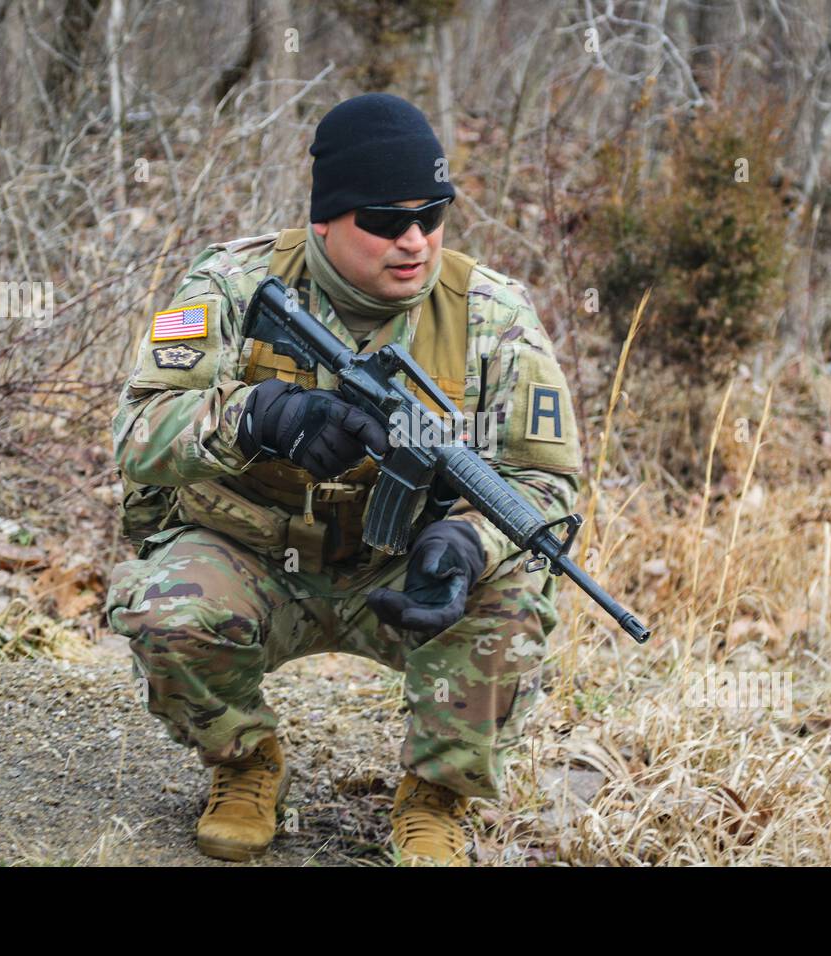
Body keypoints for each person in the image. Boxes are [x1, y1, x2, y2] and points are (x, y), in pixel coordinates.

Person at [103, 92, 582, 866]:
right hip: (257, 554)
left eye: (433, 215)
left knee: (515, 595)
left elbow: (546, 483)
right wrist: (261, 417)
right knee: (170, 609)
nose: (415, 241)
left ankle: (435, 796)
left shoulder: (493, 315)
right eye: (387, 221)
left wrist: (467, 539)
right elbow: (136, 434)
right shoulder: (231, 284)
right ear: (325, 217)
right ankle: (245, 762)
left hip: (403, 571)